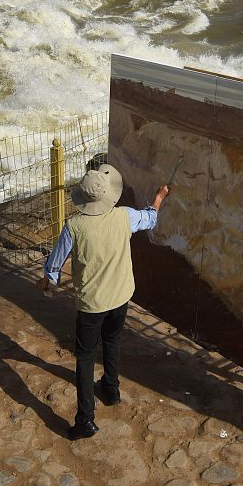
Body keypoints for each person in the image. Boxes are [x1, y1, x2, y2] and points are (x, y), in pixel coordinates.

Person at [39, 164, 169, 440]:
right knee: (112, 341)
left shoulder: (74, 226)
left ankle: (85, 419)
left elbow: (54, 266)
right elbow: (151, 219)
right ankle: (111, 389)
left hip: (92, 304)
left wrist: (47, 282)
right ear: (109, 195)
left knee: (85, 358)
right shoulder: (124, 216)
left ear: (83, 199)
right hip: (121, 295)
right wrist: (159, 199)